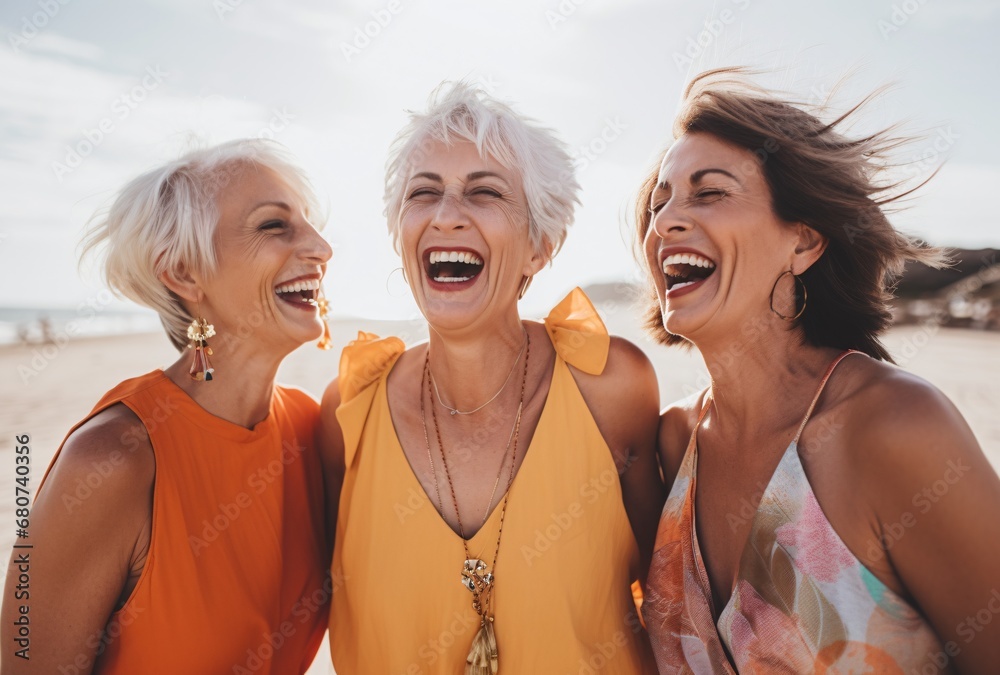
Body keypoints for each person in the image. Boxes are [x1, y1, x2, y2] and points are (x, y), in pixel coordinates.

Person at [637, 67, 1000, 673]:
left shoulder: (892, 428)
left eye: (710, 192)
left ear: (803, 243)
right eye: (660, 200)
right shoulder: (674, 445)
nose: (666, 221)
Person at [319, 82, 663, 673]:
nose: (447, 215)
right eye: (423, 193)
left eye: (484, 193)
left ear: (539, 247)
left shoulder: (611, 385)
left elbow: (673, 601)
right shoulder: (349, 411)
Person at [0, 139, 334, 674]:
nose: (321, 247)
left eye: (310, 223)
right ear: (183, 273)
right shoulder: (112, 460)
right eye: (274, 226)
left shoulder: (313, 429)